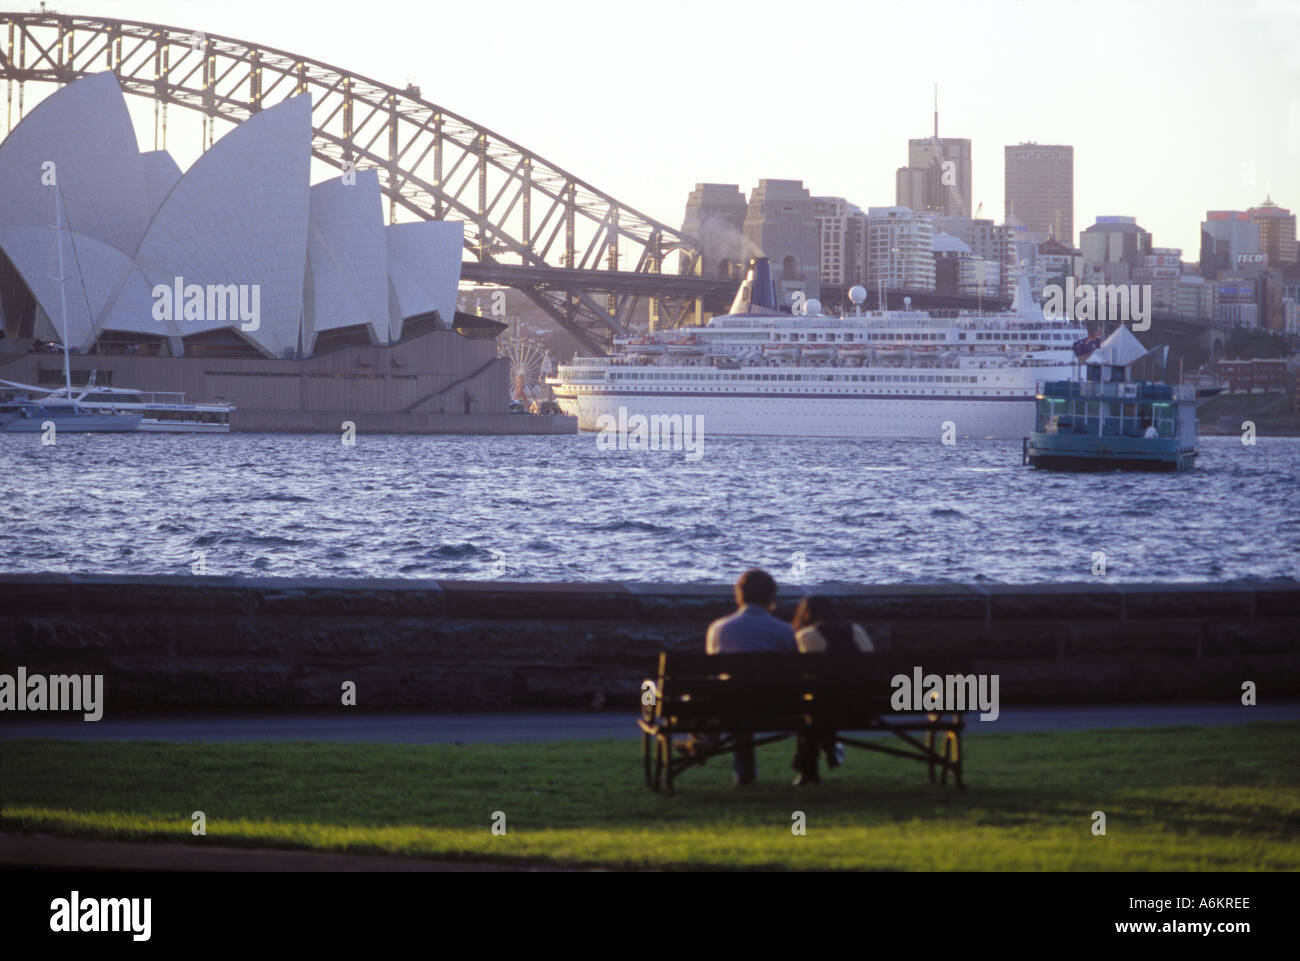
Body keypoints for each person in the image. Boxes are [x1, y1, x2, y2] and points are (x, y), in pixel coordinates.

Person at [695, 568, 796, 785]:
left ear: (739, 594)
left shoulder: (719, 629)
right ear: (772, 596)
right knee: (751, 693)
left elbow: (716, 672)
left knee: (731, 692)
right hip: (778, 708)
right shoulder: (785, 631)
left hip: (730, 707)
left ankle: (707, 744)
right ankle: (804, 771)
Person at [790, 596, 873, 786]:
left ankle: (808, 768)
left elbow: (798, 677)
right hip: (863, 708)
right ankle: (828, 747)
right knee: (818, 708)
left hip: (821, 710)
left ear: (807, 614)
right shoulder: (857, 631)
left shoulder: (805, 636)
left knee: (812, 710)